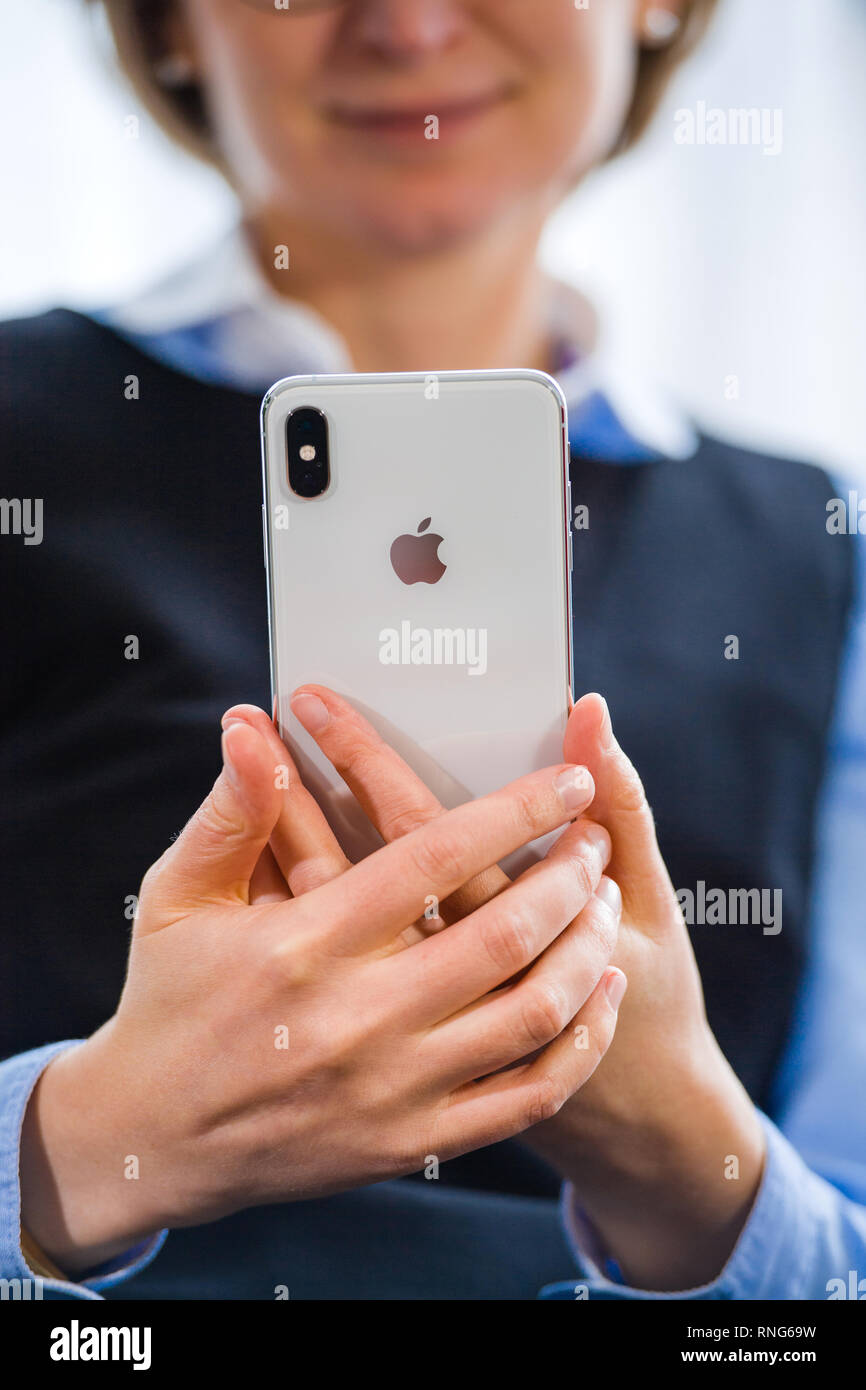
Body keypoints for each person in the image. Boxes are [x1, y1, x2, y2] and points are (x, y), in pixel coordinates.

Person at [1, 0, 864, 1301]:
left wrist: (682, 1153)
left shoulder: (818, 545)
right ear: (170, 26)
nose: (403, 26)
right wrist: (87, 1145)